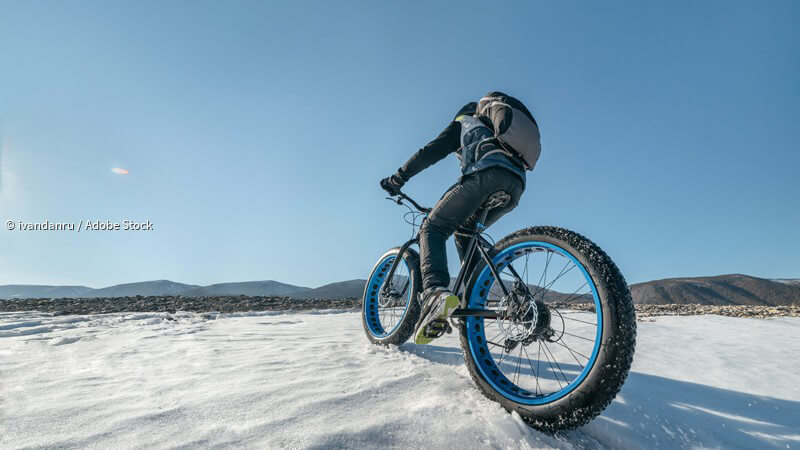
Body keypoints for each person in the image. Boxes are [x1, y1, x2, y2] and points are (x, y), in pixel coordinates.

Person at [380, 91, 539, 345]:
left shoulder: (467, 120)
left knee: (432, 227)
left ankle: (434, 294)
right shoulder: (502, 136)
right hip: (516, 185)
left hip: (486, 174)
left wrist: (399, 178)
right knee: (465, 233)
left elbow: (430, 152)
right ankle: (478, 295)